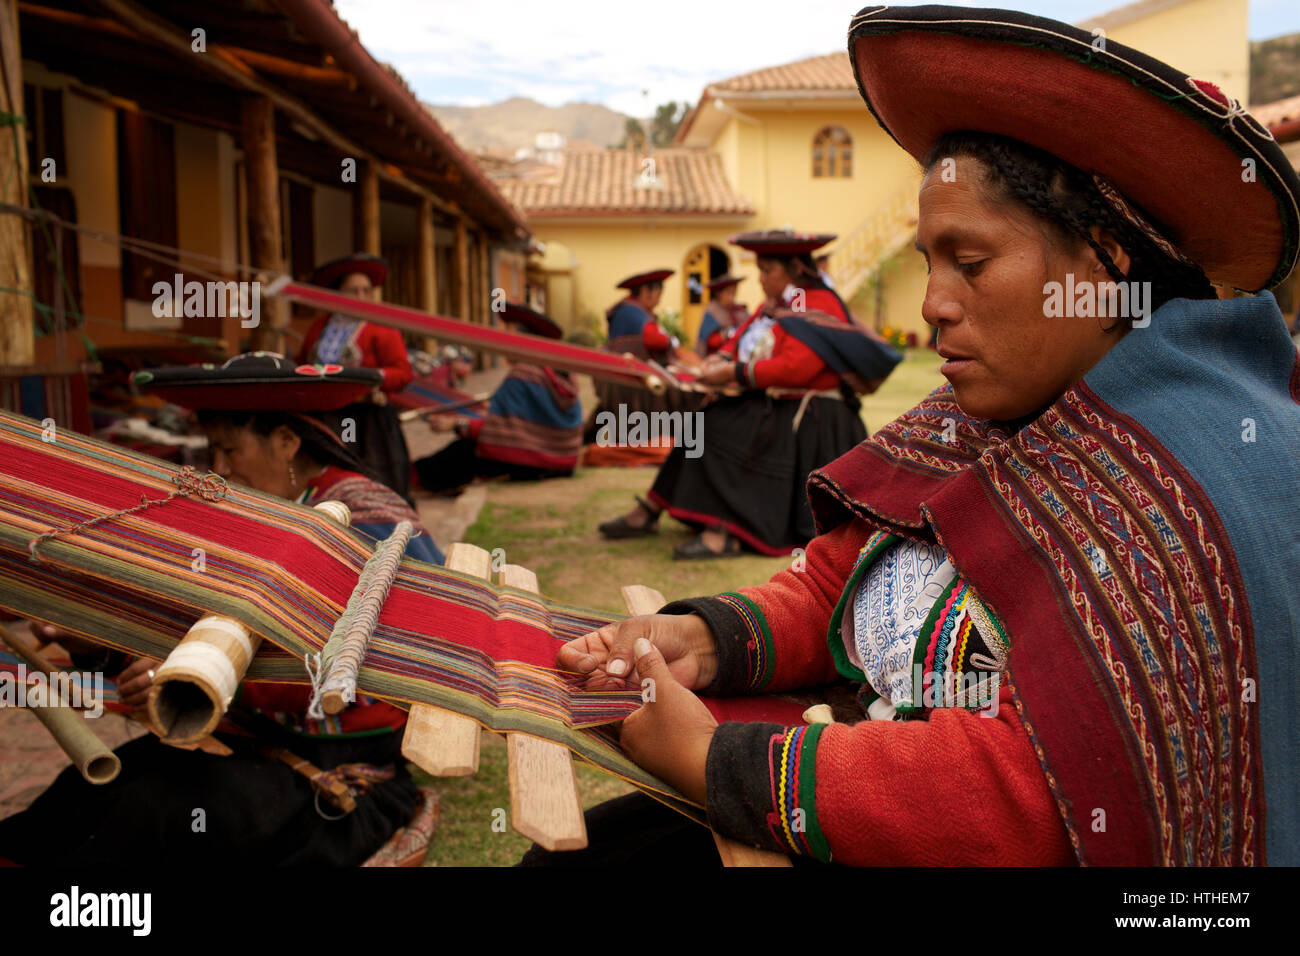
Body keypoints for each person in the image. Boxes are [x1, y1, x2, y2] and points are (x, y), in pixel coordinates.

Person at [535, 7, 1300, 866]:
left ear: (1102, 265)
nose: (932, 303)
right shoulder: (980, 416)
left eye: (968, 264)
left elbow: (1043, 798)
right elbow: (838, 579)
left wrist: (722, 760)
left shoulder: (1201, 482)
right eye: (929, 263)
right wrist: (710, 640)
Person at [0, 353, 441, 866]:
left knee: (152, 814)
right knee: (80, 799)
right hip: (250, 737)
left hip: (342, 767)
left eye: (230, 450)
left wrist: (208, 679)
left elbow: (378, 673)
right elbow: (199, 627)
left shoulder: (372, 526)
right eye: (214, 451)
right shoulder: (265, 516)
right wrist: (103, 647)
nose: (221, 469)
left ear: (286, 443)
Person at [598, 229, 900, 559]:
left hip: (814, 418)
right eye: (760, 270)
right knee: (705, 419)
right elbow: (740, 338)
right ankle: (654, 508)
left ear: (796, 269)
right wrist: (721, 358)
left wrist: (732, 373)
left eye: (768, 270)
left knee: (721, 426)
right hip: (778, 403)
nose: (761, 279)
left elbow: (794, 369)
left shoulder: (818, 303)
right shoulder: (777, 305)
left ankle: (725, 531)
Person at [414, 303, 583, 494]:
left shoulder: (523, 373)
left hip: (536, 462)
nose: (501, 342)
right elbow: (520, 422)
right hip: (563, 459)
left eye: (507, 336)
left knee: (460, 453)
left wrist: (456, 424)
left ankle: (415, 479)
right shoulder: (555, 370)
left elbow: (498, 431)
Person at [299, 253, 416, 503]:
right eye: (354, 290)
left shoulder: (381, 327)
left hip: (369, 421)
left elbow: (403, 373)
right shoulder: (319, 328)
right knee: (334, 481)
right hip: (328, 419)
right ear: (338, 294)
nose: (362, 297)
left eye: (366, 290)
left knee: (377, 482)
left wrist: (366, 379)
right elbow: (302, 366)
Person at [694, 274, 745, 356]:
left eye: (734, 292)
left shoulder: (739, 310)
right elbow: (709, 340)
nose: (732, 297)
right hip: (716, 356)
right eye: (728, 293)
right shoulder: (712, 311)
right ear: (719, 294)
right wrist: (727, 335)